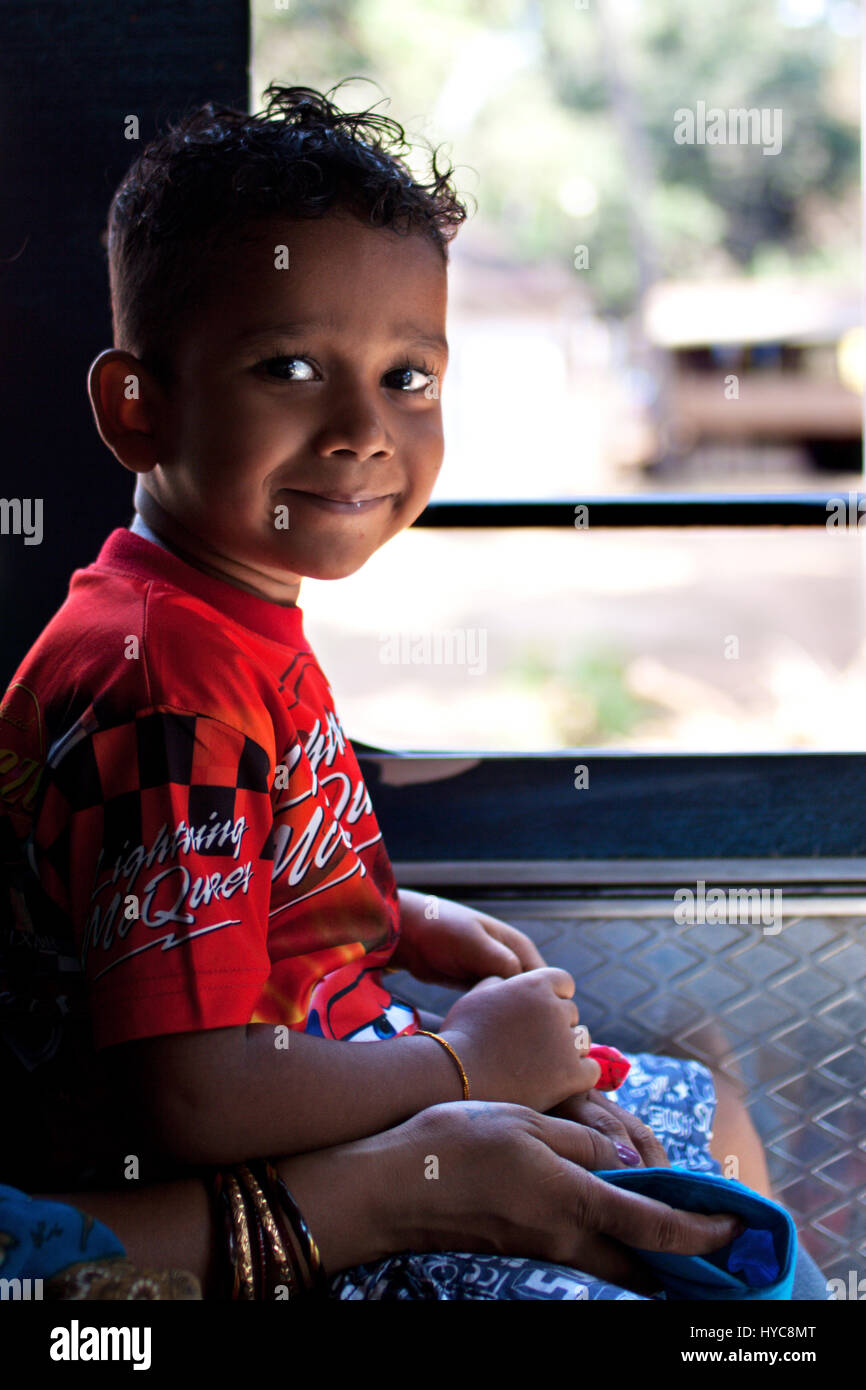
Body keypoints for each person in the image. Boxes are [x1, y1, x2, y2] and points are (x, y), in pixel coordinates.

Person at [0, 79, 828, 1300]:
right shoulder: (169, 687)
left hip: (332, 1074)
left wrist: (393, 917)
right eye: (289, 365)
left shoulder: (210, 611)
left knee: (692, 1113)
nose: (363, 429)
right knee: (696, 1243)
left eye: (407, 376)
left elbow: (220, 886)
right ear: (139, 409)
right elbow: (188, 1090)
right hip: (263, 1173)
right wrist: (459, 1065)